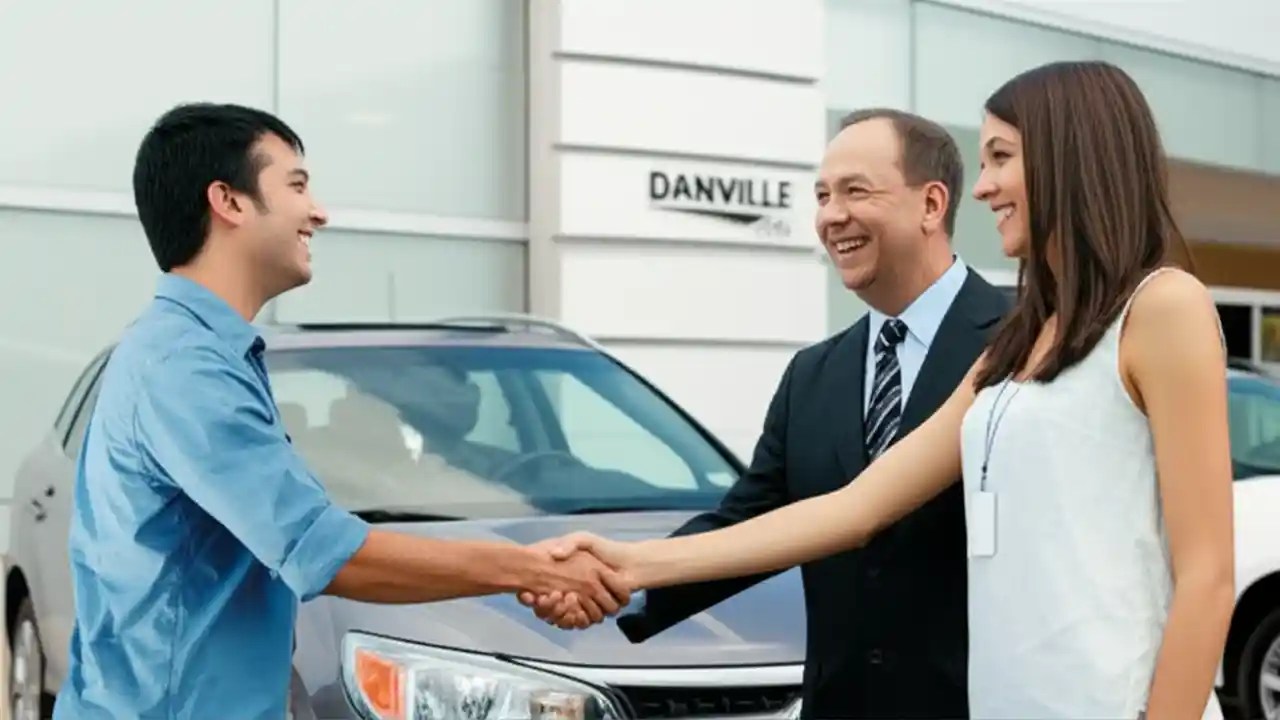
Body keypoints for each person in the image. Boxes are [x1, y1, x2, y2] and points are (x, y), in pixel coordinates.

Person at [535, 60, 1236, 720]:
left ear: (1068, 153)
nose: (984, 186)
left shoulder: (1163, 307)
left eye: (1000, 157)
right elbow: (852, 510)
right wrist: (628, 562)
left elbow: (1206, 576)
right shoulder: (1022, 339)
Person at [54, 103, 628, 720]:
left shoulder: (196, 351)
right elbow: (325, 550)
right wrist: (533, 569)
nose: (318, 212)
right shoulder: (185, 366)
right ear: (229, 201)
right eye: (297, 185)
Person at [527, 109, 1011, 718]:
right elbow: (745, 524)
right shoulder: (813, 375)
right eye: (822, 195)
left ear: (932, 205)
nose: (832, 216)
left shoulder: (1025, 342)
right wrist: (616, 587)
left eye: (855, 191)